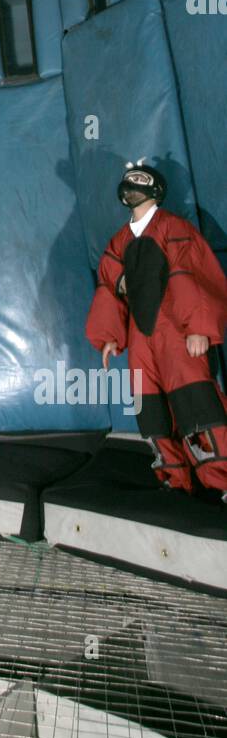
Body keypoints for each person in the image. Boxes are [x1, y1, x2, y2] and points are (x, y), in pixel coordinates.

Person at [85, 160, 227, 499]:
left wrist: (198, 327)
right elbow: (108, 286)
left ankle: (220, 478)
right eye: (127, 182)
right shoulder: (119, 241)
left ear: (154, 190)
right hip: (141, 335)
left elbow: (187, 273)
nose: (130, 188)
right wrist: (110, 337)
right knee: (149, 408)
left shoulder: (173, 227)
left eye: (138, 182)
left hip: (176, 329)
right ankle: (175, 479)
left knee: (197, 403)